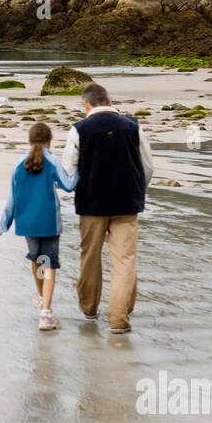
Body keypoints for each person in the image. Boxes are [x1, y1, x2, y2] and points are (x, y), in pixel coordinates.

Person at [61, 83, 152, 333]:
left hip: (92, 203)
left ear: (85, 104)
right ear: (110, 102)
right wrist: (138, 191)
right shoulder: (133, 126)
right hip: (127, 202)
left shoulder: (78, 129)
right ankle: (118, 318)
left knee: (90, 258)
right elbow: (147, 166)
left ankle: (89, 308)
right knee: (124, 260)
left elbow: (68, 170)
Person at [0, 122, 78, 330]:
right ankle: (46, 314)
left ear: (29, 140)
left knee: (37, 259)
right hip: (48, 221)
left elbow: (11, 199)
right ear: (50, 141)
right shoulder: (53, 161)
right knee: (49, 264)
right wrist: (79, 169)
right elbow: (69, 185)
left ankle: (42, 299)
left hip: (26, 222)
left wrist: (4, 223)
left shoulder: (18, 164)